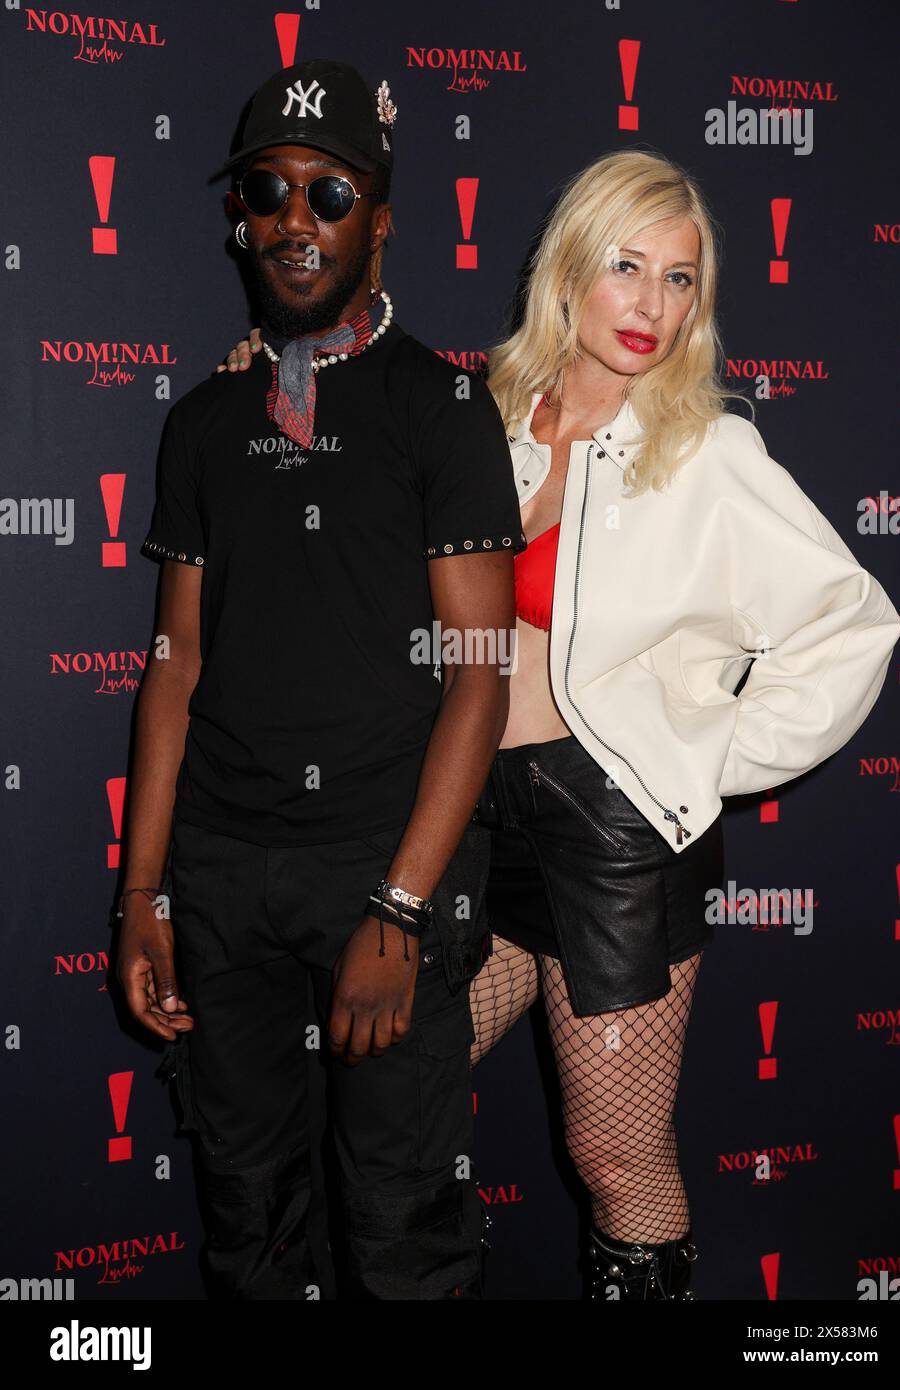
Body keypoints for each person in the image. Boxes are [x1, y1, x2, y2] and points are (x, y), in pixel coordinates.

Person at [221, 148, 900, 1300]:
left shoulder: (708, 452)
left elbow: (855, 623)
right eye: (626, 266)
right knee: (383, 1082)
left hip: (611, 846)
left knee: (615, 1155)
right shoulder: (481, 414)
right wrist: (280, 380)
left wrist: (693, 755)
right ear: (570, 270)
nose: (651, 304)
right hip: (472, 825)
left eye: (680, 279)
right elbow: (346, 513)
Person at [116, 58, 526, 1301]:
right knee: (248, 1224)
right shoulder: (202, 421)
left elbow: (479, 678)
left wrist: (398, 910)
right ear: (239, 214)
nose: (296, 218)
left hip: (382, 863)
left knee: (401, 1236)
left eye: (330, 193)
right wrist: (144, 891)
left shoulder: (443, 408)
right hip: (222, 874)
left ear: (380, 217)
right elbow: (175, 666)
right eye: (270, 191)